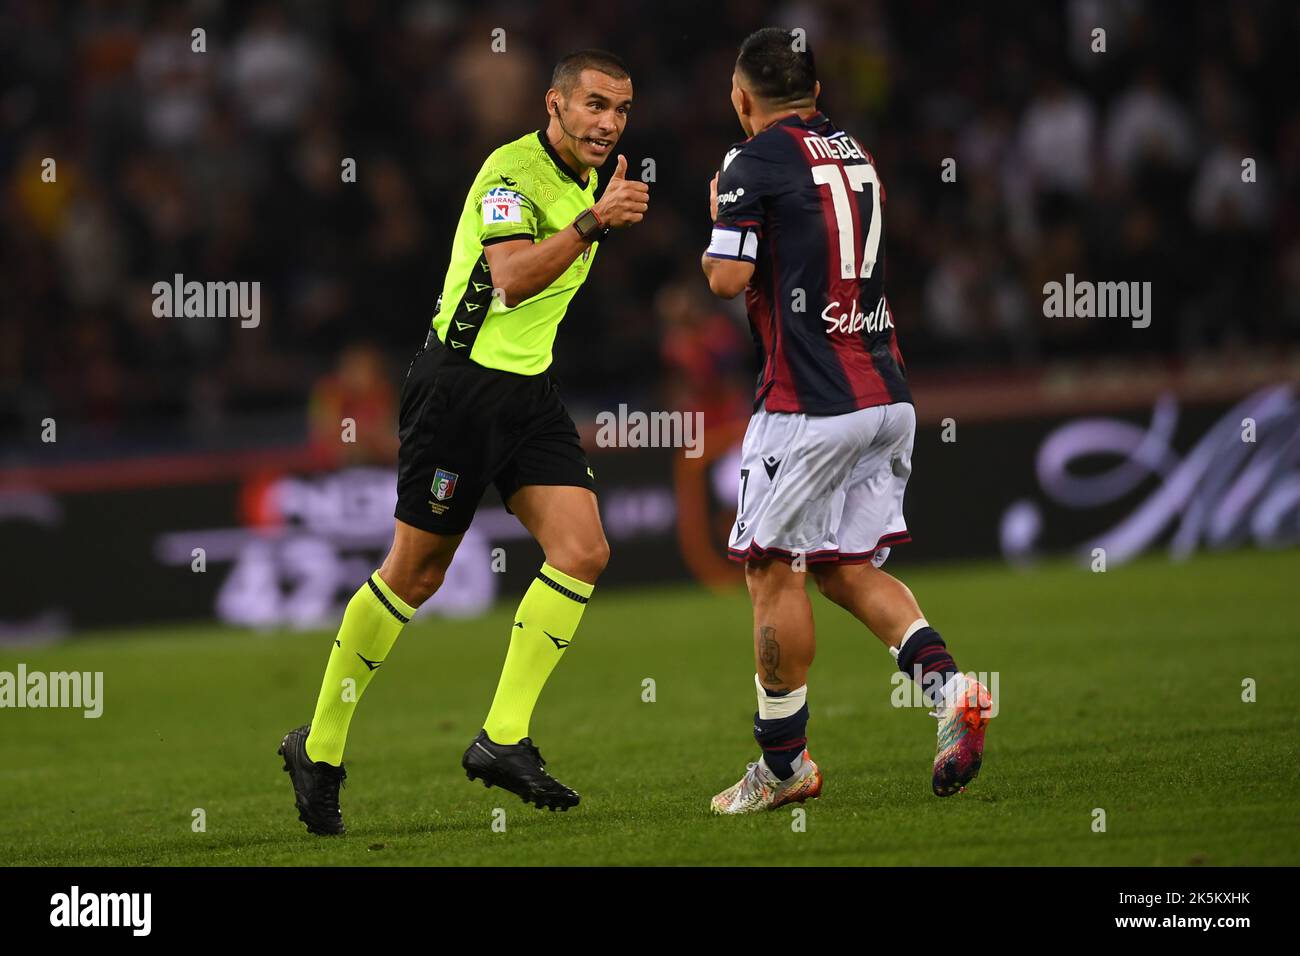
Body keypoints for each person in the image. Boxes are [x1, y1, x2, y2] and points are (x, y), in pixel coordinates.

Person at [278, 49, 649, 835]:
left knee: (582, 550)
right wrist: (593, 224)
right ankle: (321, 746)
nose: (608, 123)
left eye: (620, 110)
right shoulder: (510, 174)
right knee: (414, 576)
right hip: (460, 390)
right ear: (554, 104)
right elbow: (511, 278)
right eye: (593, 105)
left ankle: (502, 739)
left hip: (529, 392)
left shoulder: (591, 180)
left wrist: (597, 214)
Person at [700, 28, 992, 815]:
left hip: (808, 404)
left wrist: (718, 225)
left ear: (741, 98)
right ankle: (952, 692)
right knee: (844, 568)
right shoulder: (853, 149)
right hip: (885, 394)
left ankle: (784, 765)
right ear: (817, 94)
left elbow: (728, 277)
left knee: (773, 570)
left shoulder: (747, 160)